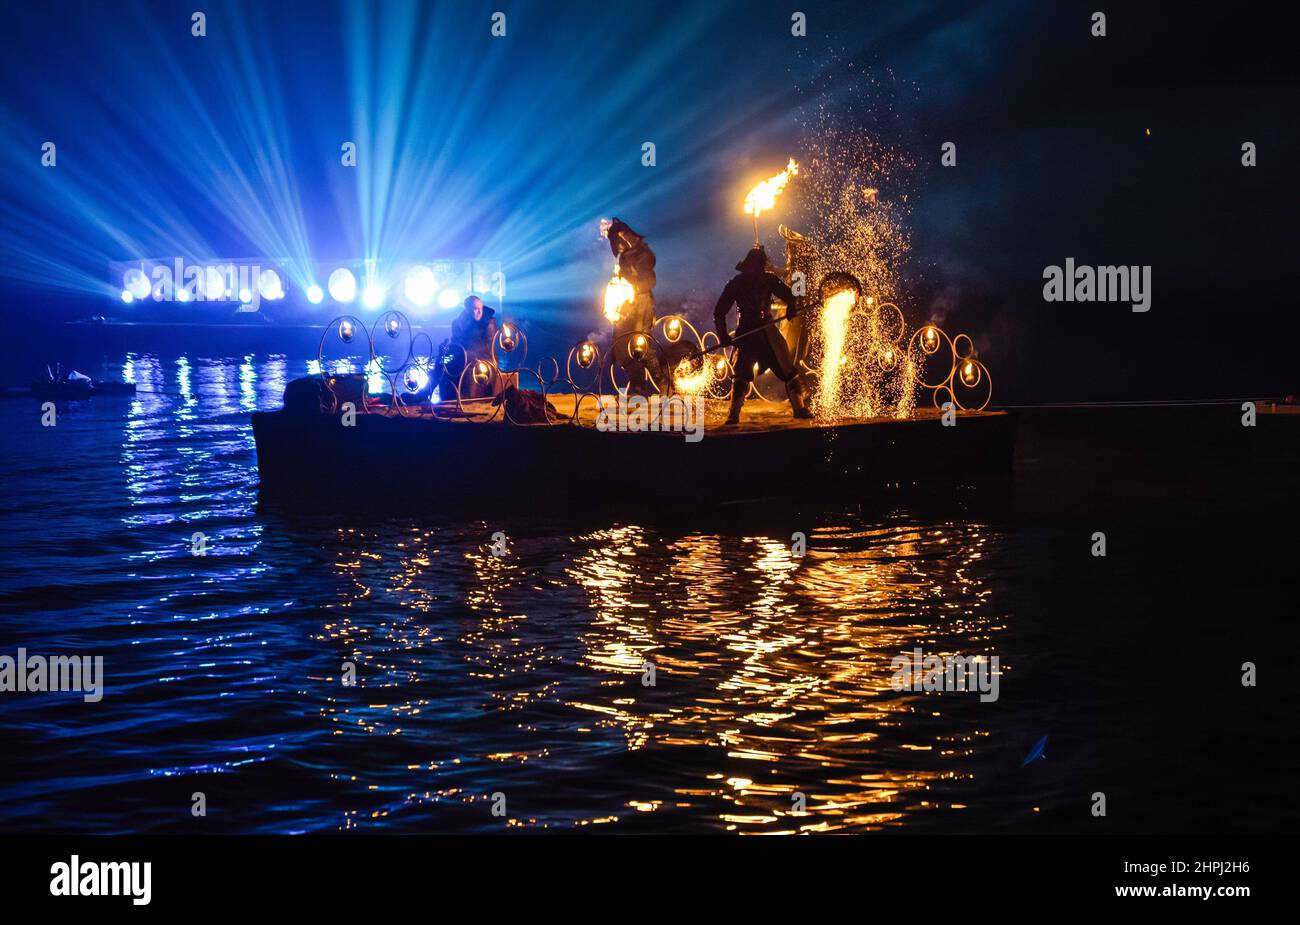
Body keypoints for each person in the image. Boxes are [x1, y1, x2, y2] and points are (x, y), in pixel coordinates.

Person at [713, 245, 812, 423]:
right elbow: (719, 312)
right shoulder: (736, 284)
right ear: (748, 266)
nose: (757, 271)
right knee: (741, 373)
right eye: (755, 266)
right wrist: (723, 336)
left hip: (768, 332)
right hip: (747, 332)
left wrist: (791, 307)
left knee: (787, 369)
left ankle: (799, 408)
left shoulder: (769, 280)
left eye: (760, 266)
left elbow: (790, 295)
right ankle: (734, 413)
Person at [606, 218, 664, 396]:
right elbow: (620, 279)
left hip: (641, 304)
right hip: (626, 305)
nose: (620, 243)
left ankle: (664, 384)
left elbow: (649, 281)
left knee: (641, 344)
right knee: (622, 345)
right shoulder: (623, 258)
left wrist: (633, 287)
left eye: (622, 238)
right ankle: (638, 387)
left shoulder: (644, 255)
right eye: (616, 240)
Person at [440, 296, 498, 401]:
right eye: (475, 309)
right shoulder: (458, 323)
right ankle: (451, 398)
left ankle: (471, 399)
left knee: (470, 367)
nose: (480, 311)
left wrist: (469, 353)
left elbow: (489, 345)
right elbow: (455, 342)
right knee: (443, 366)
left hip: (485, 357)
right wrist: (446, 351)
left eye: (481, 308)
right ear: (467, 310)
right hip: (463, 354)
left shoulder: (489, 322)